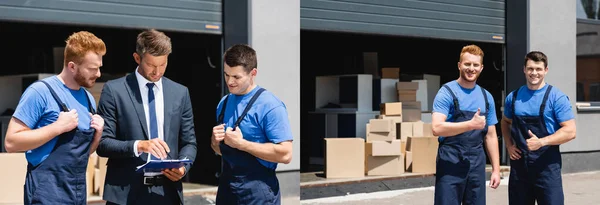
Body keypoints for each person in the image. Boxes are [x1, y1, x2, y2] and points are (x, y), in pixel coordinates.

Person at [96, 29, 197, 205]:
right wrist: (140, 145)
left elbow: (189, 142)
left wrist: (183, 167)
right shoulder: (114, 91)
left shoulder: (180, 93)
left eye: (163, 64)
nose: (157, 71)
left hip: (167, 194)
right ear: (137, 58)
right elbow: (103, 144)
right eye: (151, 65)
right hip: (125, 195)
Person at [4, 31, 106, 204]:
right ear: (72, 66)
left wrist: (98, 135)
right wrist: (57, 127)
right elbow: (11, 143)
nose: (98, 74)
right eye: (92, 69)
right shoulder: (40, 92)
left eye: (99, 67)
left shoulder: (88, 99)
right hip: (46, 192)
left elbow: (82, 155)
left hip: (77, 192)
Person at [211, 44, 293, 205]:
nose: (229, 81)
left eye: (236, 77)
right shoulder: (224, 103)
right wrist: (214, 141)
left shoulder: (270, 105)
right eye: (226, 75)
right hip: (227, 189)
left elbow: (286, 154)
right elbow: (220, 151)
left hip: (258, 192)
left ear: (253, 73)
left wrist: (242, 144)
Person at [501, 51, 576, 205]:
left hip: (547, 169)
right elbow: (505, 122)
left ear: (545, 70)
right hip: (520, 170)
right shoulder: (513, 97)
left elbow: (570, 131)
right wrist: (509, 145)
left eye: (538, 69)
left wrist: (541, 142)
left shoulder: (556, 97)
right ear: (524, 70)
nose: (534, 73)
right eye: (530, 69)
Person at [431, 44, 501, 205]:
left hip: (476, 162)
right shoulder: (446, 92)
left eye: (475, 65)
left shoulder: (486, 97)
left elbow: (490, 136)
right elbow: (436, 128)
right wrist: (470, 124)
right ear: (459, 65)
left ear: (481, 68)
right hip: (450, 161)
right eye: (467, 64)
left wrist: (496, 170)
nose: (471, 68)